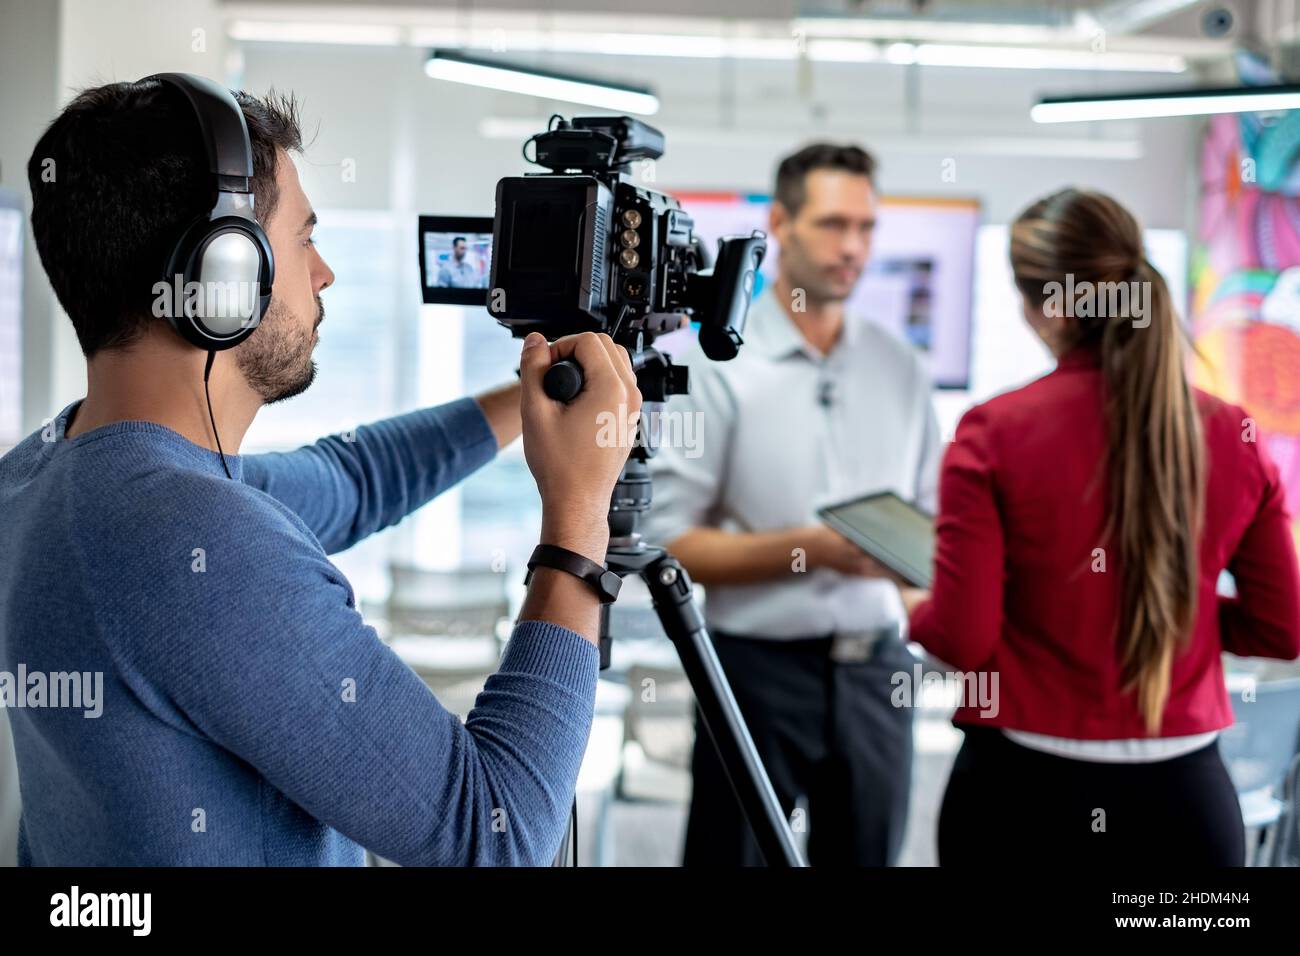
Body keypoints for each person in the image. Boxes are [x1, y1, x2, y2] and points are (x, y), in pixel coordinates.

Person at [0, 76, 640, 865]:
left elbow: (355, 478)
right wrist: (578, 518)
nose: (325, 273)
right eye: (304, 239)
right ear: (222, 274)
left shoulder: (44, 475)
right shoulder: (190, 539)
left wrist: (532, 395)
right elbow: (496, 834)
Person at [902, 187, 1300, 866]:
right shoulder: (1233, 436)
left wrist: (912, 603)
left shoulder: (994, 432)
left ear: (1039, 308)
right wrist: (1178, 606)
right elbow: (1282, 628)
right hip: (1186, 809)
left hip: (1022, 800)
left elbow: (963, 640)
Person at [644, 143, 941, 866]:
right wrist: (816, 549)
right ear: (780, 222)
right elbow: (669, 544)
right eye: (834, 224)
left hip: (879, 674)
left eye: (867, 228)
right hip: (754, 674)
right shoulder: (719, 364)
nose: (853, 247)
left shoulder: (900, 366)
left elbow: (936, 534)